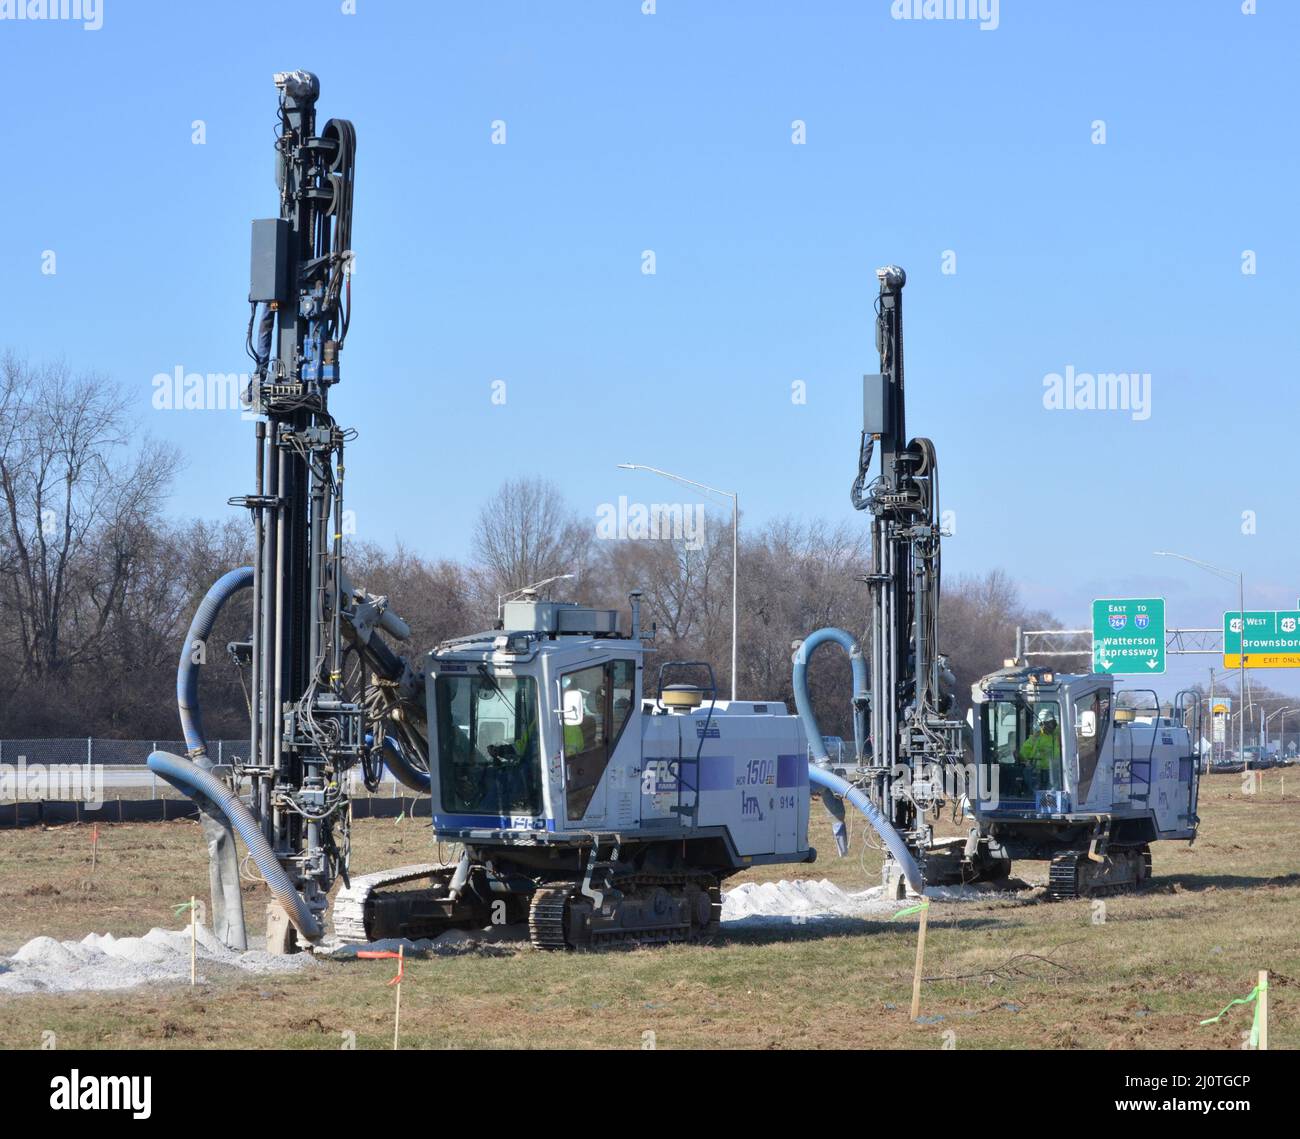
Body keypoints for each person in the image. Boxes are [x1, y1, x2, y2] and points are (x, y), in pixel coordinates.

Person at [1020, 709, 1061, 786]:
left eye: (1052, 723)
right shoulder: (1035, 738)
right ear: (1042, 724)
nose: (1051, 726)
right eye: (1049, 723)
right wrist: (1026, 761)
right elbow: (1023, 753)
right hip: (1038, 773)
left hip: (1057, 773)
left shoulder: (1060, 735)